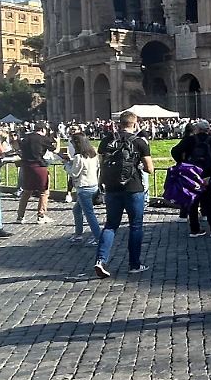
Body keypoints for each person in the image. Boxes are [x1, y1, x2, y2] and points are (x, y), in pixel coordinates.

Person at [93, 111, 154, 278]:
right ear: (135, 123)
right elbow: (149, 169)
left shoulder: (106, 140)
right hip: (133, 187)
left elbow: (101, 163)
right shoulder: (140, 142)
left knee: (111, 225)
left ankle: (100, 260)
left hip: (112, 187)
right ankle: (134, 264)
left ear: (119, 123)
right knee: (135, 225)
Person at [171, 120, 211, 237]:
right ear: (208, 129)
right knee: (209, 202)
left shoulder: (189, 140)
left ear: (197, 129)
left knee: (193, 202)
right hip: (209, 174)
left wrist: (182, 162)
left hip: (192, 174)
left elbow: (175, 151)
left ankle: (195, 230)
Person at [63, 134, 102, 244]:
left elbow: (74, 173)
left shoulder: (78, 157)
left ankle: (98, 237)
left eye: (72, 142)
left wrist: (66, 165)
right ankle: (78, 235)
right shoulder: (93, 154)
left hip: (84, 188)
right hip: (93, 185)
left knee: (89, 214)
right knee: (76, 210)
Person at [16, 122, 58, 224]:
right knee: (44, 192)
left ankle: (20, 216)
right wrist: (58, 142)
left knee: (26, 192)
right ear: (43, 130)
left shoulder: (26, 138)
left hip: (27, 166)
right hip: (39, 166)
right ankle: (41, 215)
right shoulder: (43, 139)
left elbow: (19, 148)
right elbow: (55, 150)